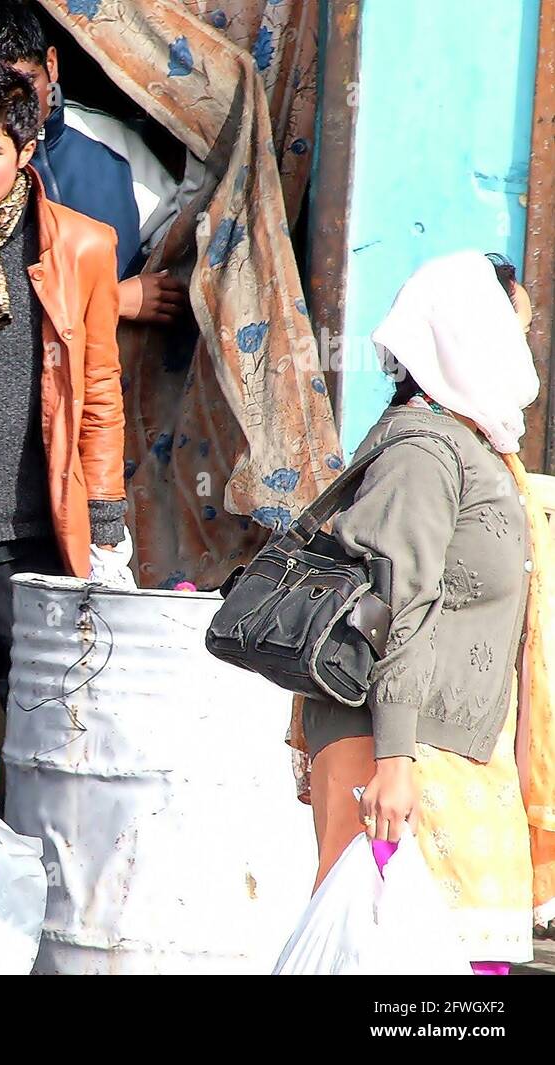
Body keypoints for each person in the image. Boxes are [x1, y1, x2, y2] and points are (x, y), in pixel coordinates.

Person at [300, 251, 555, 974]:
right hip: (407, 753)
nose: (521, 346)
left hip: (457, 755)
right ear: (468, 332)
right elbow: (398, 605)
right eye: (511, 328)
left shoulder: (474, 445)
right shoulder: (422, 451)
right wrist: (394, 761)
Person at [0, 62, 128, 707]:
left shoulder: (82, 248)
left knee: (36, 721)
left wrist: (104, 520)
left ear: (26, 151)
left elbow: (97, 388)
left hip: (34, 536)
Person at [0, 0, 190, 323]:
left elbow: (172, 248)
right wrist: (113, 301)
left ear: (51, 65)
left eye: (25, 83)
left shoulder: (111, 144)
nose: (13, 105)